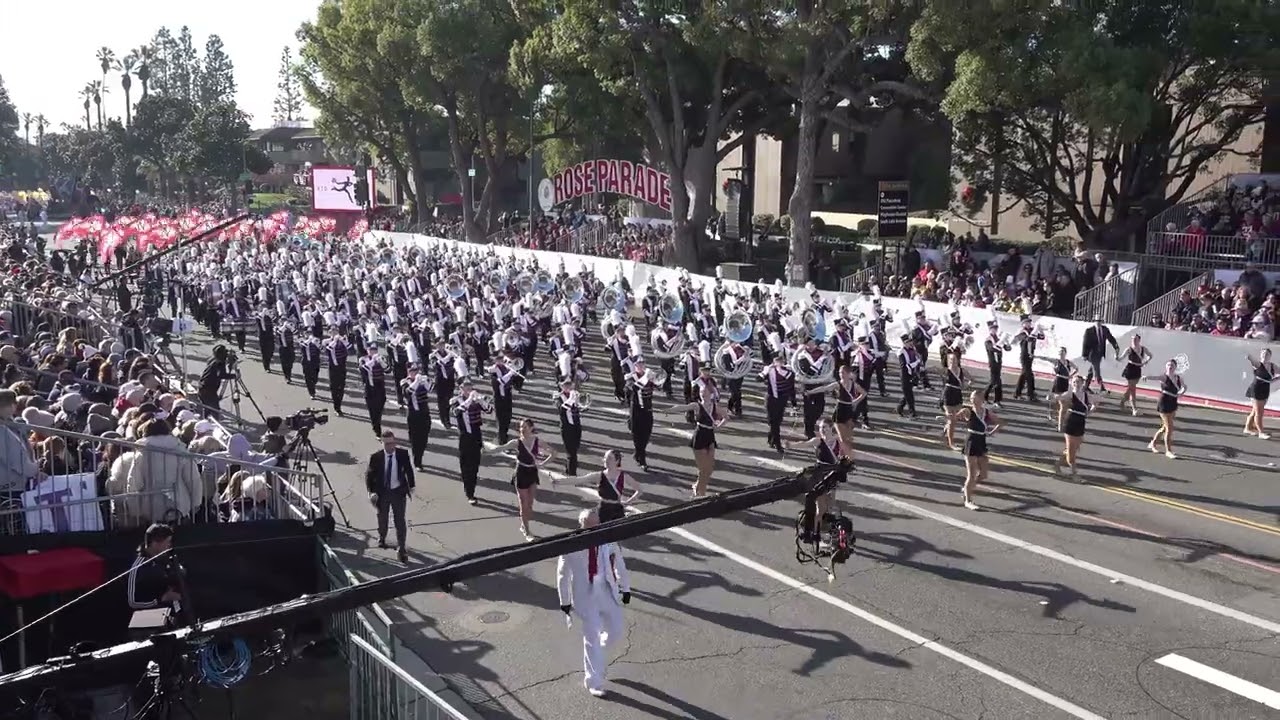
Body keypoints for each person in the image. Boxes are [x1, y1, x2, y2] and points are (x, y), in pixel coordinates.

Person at [556, 509, 632, 698]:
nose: (595, 527)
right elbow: (563, 574)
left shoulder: (607, 539)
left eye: (597, 523)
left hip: (606, 590)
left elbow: (619, 563)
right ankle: (593, 681)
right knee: (591, 638)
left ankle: (598, 655)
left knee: (616, 630)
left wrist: (626, 587)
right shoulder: (571, 544)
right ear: (582, 524)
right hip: (585, 595)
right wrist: (565, 601)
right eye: (590, 525)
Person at [490, 418, 553, 541]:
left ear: (531, 428)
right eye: (520, 427)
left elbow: (553, 453)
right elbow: (501, 448)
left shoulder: (537, 441)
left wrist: (542, 464)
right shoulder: (517, 442)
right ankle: (527, 531)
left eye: (525, 427)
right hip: (521, 473)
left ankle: (524, 524)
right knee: (523, 503)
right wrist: (487, 451)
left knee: (529, 504)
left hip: (532, 472)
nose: (522, 429)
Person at [364, 430, 415, 563]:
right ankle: (382, 536)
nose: (390, 447)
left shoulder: (402, 454)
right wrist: (371, 492)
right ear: (382, 443)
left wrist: (412, 486)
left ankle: (402, 547)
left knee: (400, 520)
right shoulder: (376, 457)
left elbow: (409, 470)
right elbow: (369, 475)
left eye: (392, 443)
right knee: (383, 517)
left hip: (398, 492)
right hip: (383, 492)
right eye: (387, 444)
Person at [559, 449, 641, 524]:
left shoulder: (623, 476)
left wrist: (628, 502)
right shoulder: (599, 475)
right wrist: (560, 481)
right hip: (603, 510)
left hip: (617, 510)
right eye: (605, 458)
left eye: (609, 458)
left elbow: (639, 490)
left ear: (617, 461)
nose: (606, 460)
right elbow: (579, 480)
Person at [126, 523, 183, 627]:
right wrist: (160, 600)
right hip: (148, 623)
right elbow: (132, 602)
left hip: (171, 619)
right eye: (167, 542)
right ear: (155, 543)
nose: (169, 546)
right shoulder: (139, 566)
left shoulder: (164, 561)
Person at [1143, 359, 1186, 459]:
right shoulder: (1164, 377)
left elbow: (1184, 387)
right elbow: (1155, 377)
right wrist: (1147, 377)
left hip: (1173, 403)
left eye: (1172, 365)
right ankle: (1168, 451)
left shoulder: (1178, 378)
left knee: (1164, 427)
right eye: (1168, 365)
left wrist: (1181, 393)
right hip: (1164, 403)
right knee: (1169, 428)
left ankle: (1153, 443)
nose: (1170, 367)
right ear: (1166, 367)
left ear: (1175, 367)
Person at [1244, 348, 1278, 440]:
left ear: (1270, 356)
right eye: (1263, 353)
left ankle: (1247, 428)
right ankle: (1261, 433)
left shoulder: (1272, 366)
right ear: (1260, 355)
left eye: (1267, 354)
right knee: (1259, 413)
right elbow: (1253, 360)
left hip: (1265, 390)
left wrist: (1274, 380)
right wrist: (1249, 357)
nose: (1265, 355)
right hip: (1256, 389)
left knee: (1255, 411)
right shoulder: (1258, 364)